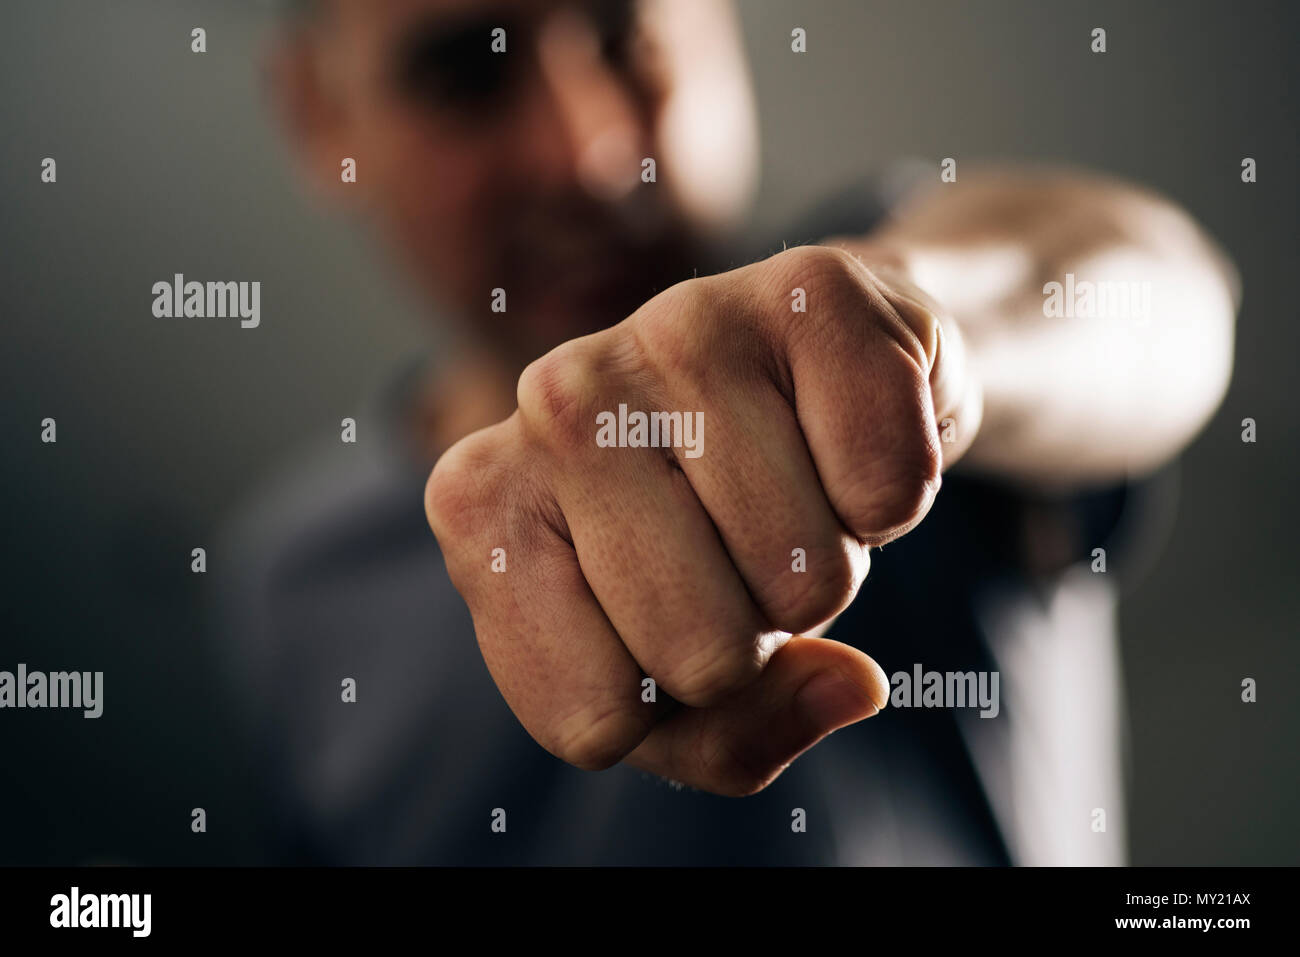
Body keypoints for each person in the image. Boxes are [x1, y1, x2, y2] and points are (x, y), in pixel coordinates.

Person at [212, 0, 1238, 865]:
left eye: (627, 39)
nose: (592, 155)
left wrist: (922, 330)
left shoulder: (877, 312)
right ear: (317, 115)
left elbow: (1156, 302)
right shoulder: (291, 579)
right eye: (464, 78)